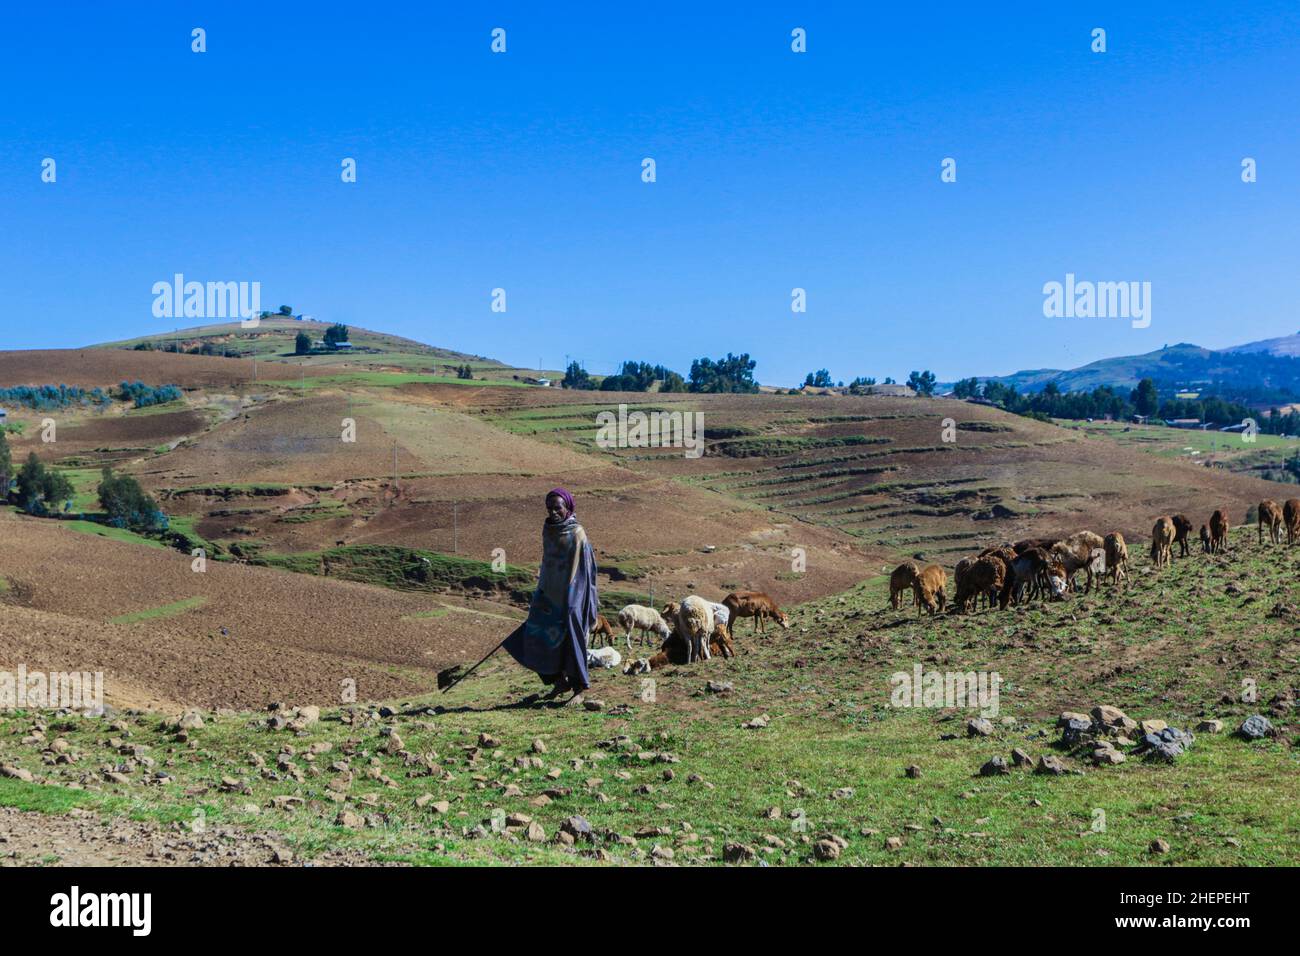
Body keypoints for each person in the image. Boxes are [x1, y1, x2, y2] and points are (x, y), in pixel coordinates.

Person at [503, 487, 597, 706]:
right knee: (536, 634)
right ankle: (558, 680)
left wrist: (576, 600)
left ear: (568, 507)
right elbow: (547, 563)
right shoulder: (548, 530)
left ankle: (579, 687)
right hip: (549, 593)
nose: (553, 512)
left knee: (572, 638)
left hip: (574, 593)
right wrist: (542, 592)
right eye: (549, 508)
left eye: (557, 508)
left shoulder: (577, 534)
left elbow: (586, 569)